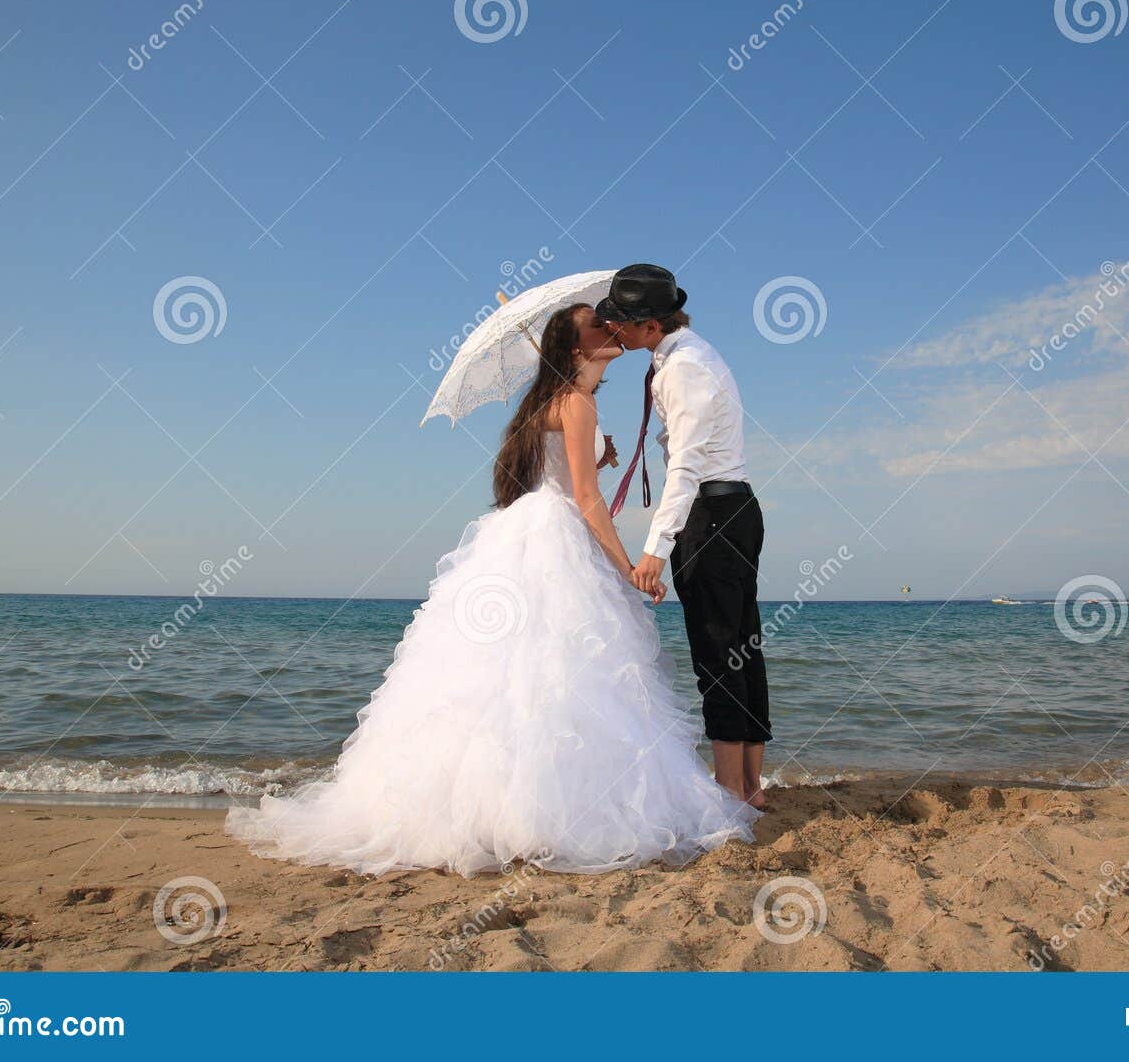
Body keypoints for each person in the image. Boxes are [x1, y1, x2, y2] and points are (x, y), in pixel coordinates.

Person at [226, 303, 754, 876]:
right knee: (556, 674)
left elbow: (559, 479)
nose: (611, 330)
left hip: (523, 535)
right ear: (577, 350)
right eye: (597, 327)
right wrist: (629, 565)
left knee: (520, 679)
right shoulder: (575, 402)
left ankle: (498, 815)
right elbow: (586, 501)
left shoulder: (544, 407)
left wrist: (595, 456)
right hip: (559, 541)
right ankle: (549, 815)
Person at [596, 264, 771, 807]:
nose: (614, 331)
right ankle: (748, 784)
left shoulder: (684, 367)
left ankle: (732, 786)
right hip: (730, 509)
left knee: (720, 651)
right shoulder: (681, 356)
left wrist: (655, 548)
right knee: (740, 645)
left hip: (712, 513)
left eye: (622, 323)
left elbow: (687, 467)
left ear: (651, 324)